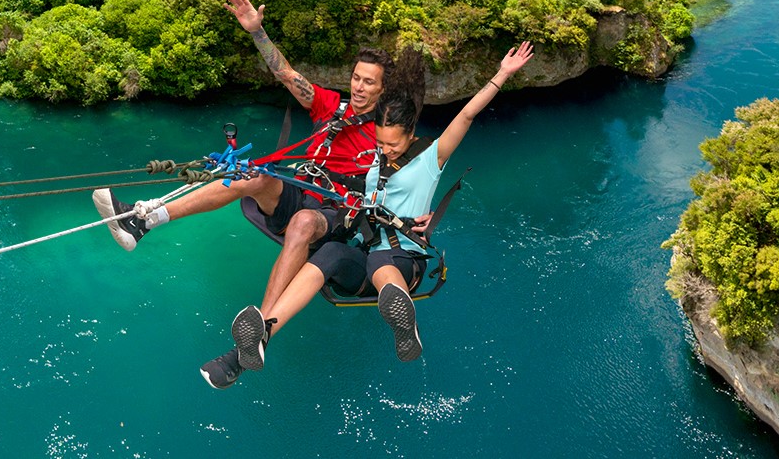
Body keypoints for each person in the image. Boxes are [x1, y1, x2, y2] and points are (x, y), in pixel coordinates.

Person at [201, 42, 535, 388]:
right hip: (366, 248)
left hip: (404, 257)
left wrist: (503, 74)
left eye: (392, 145)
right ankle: (264, 334)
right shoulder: (375, 162)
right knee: (333, 254)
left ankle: (403, 322)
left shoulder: (430, 159)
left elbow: (466, 115)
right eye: (380, 143)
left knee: (382, 265)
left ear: (411, 135)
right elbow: (348, 183)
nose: (385, 150)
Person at [93, 0, 391, 317]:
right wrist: (256, 32)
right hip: (298, 195)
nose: (359, 87)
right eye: (356, 78)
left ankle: (264, 324)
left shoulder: (389, 135)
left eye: (369, 83)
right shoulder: (331, 106)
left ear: (382, 89)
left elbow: (408, 181)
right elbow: (286, 73)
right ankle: (144, 222)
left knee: (305, 222)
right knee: (248, 174)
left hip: (333, 217)